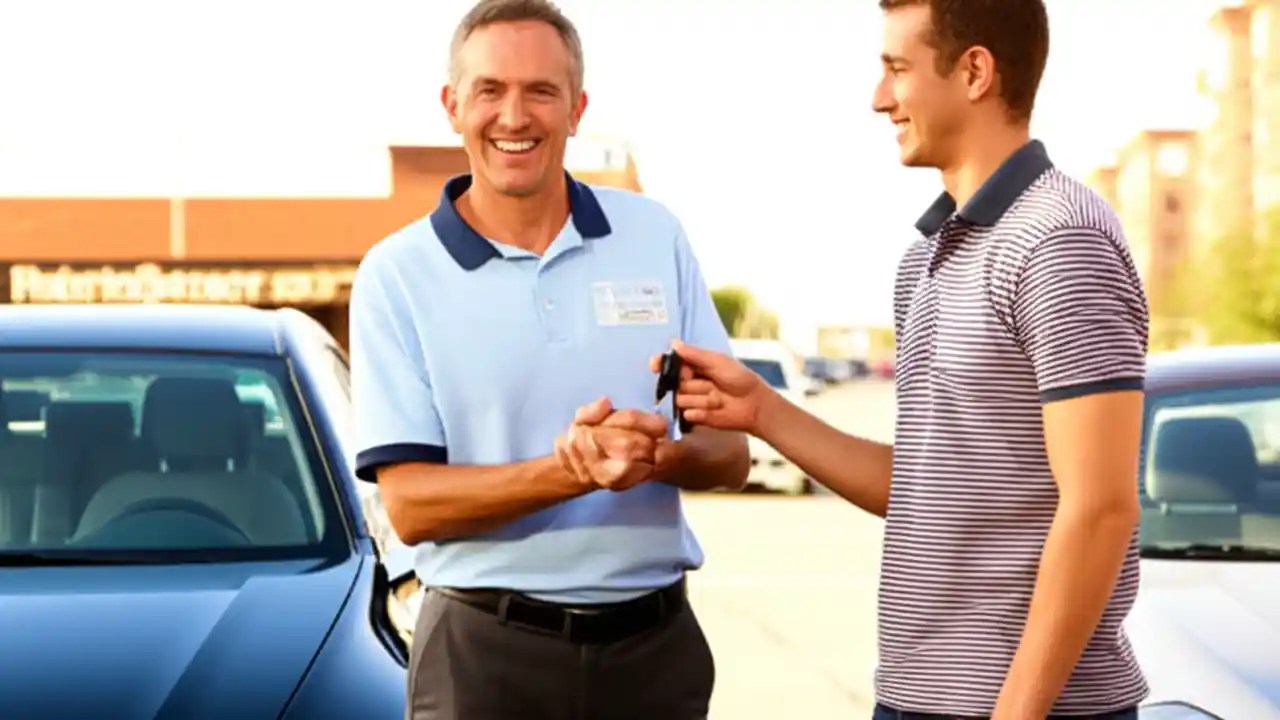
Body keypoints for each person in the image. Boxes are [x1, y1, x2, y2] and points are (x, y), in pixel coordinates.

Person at [662, 1, 1150, 718]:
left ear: (975, 71)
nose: (878, 97)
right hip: (917, 697)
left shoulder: (1061, 241)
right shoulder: (925, 259)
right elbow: (926, 489)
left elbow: (1101, 507)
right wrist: (761, 411)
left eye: (896, 69)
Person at [347, 0, 749, 718]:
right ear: (452, 105)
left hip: (655, 653)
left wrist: (646, 456)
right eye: (490, 90)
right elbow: (410, 506)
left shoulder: (653, 234)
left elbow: (729, 452)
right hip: (482, 660)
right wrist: (572, 472)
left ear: (577, 107)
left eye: (541, 91)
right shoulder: (396, 273)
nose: (514, 116)